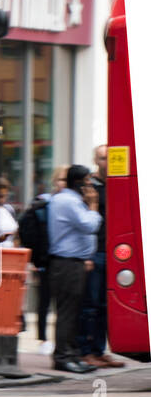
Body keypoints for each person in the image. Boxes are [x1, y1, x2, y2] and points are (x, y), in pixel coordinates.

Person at [47, 164, 104, 373]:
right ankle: (62, 357)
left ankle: (71, 354)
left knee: (74, 312)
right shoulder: (68, 201)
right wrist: (94, 205)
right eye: (88, 180)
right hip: (66, 264)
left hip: (74, 263)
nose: (90, 185)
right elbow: (89, 225)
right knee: (68, 313)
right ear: (78, 181)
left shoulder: (70, 200)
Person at [80, 145, 124, 368]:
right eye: (103, 158)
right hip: (94, 251)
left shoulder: (119, 183)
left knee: (107, 304)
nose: (107, 162)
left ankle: (99, 350)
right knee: (91, 304)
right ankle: (86, 351)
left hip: (116, 252)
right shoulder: (90, 186)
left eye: (110, 158)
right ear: (95, 161)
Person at [18, 167, 68, 351]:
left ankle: (61, 341)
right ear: (55, 180)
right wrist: (35, 260)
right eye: (62, 179)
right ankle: (43, 339)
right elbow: (29, 231)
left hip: (64, 257)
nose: (65, 183)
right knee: (45, 300)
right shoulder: (44, 203)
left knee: (65, 302)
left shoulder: (74, 202)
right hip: (47, 259)